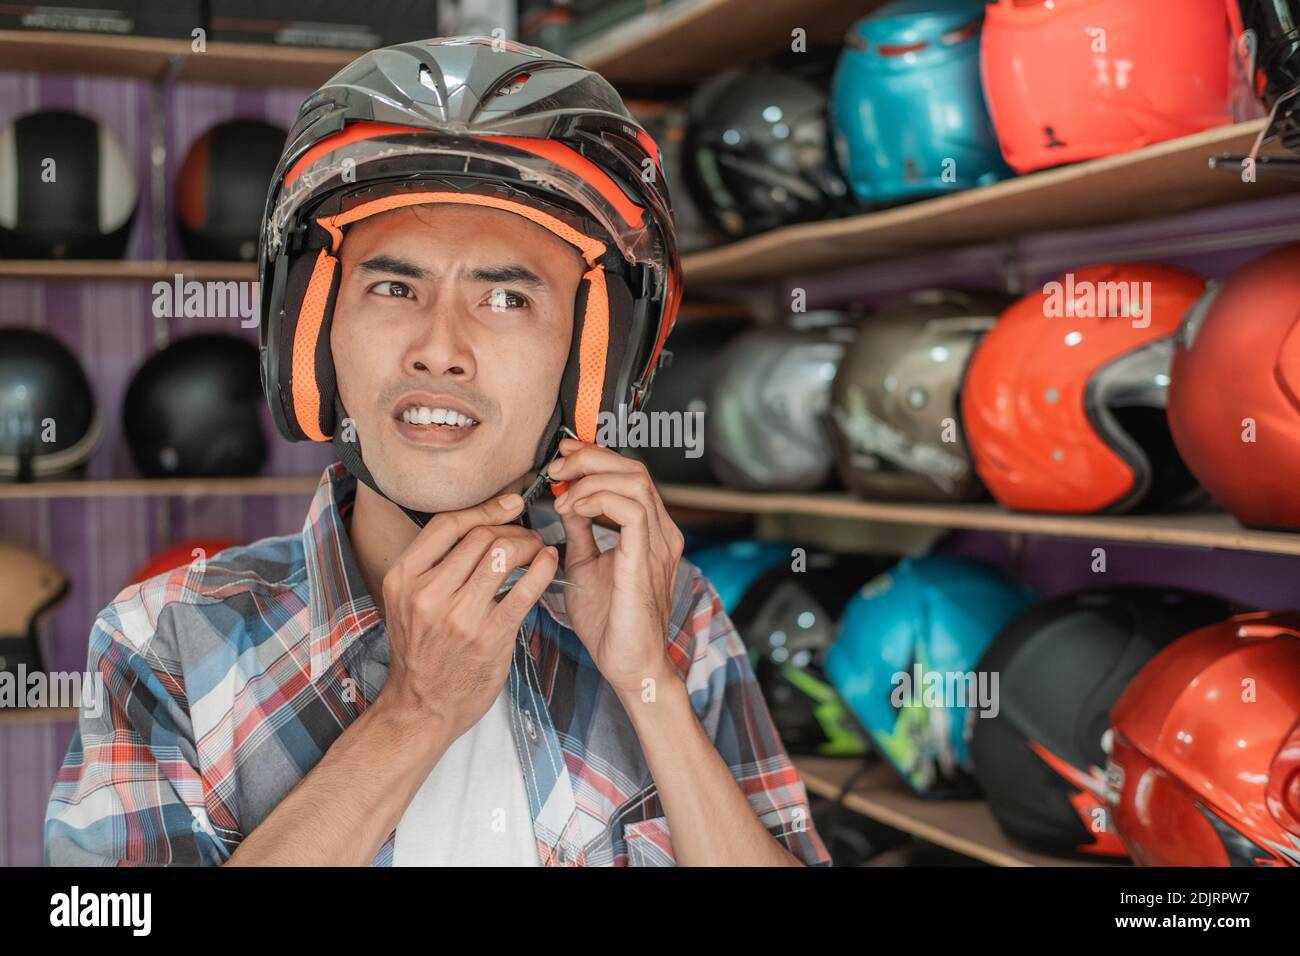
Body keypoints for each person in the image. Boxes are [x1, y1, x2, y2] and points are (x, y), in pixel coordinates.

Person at [44, 36, 830, 867]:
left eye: (505, 296)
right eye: (394, 287)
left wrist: (650, 687)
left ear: (588, 360)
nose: (439, 349)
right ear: (315, 336)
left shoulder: (676, 618)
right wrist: (412, 713)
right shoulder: (164, 640)